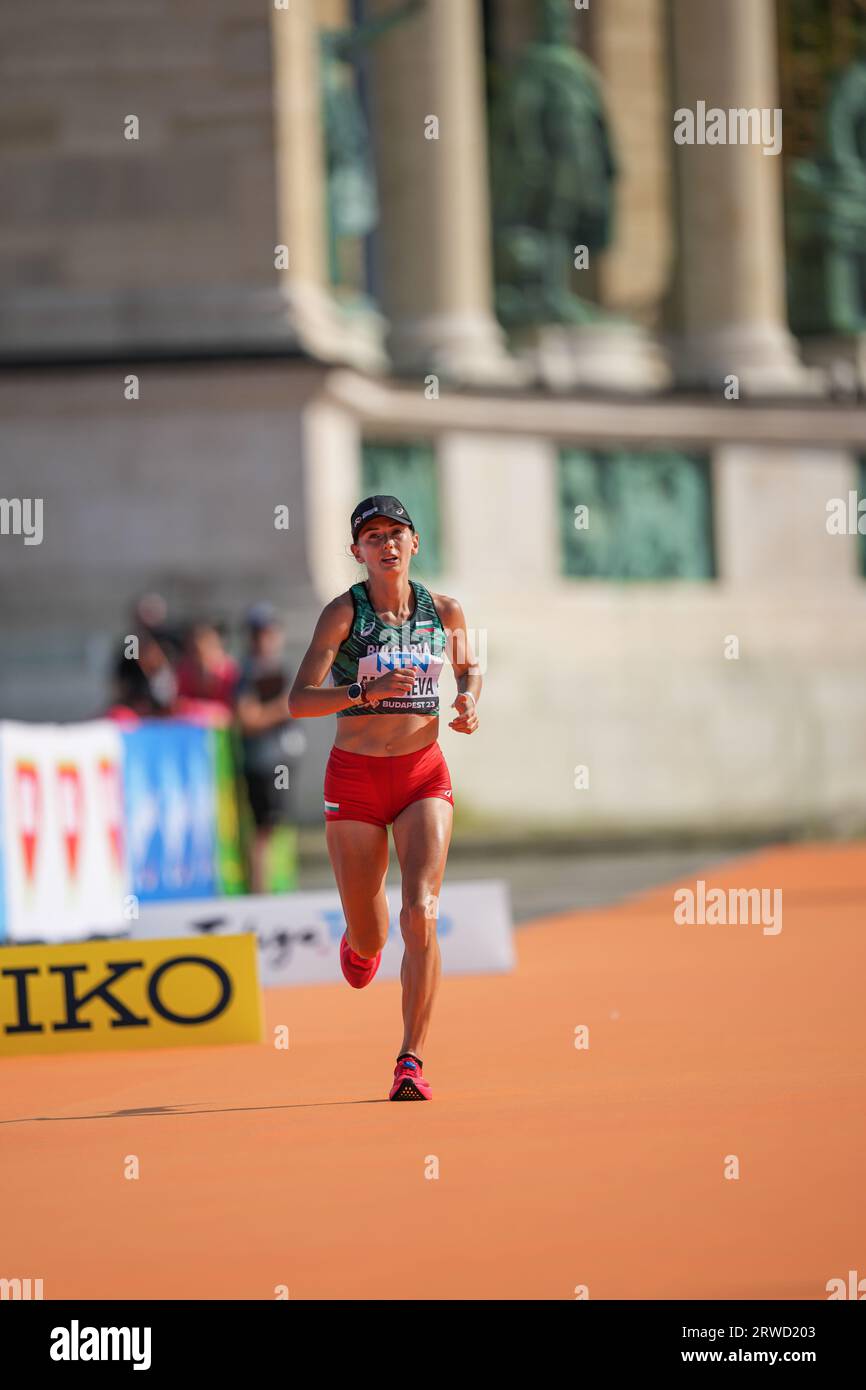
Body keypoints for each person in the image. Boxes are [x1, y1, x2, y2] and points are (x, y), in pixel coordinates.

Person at [288, 494, 481, 1101]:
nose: (386, 544)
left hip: (423, 775)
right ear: (357, 552)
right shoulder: (341, 615)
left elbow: (470, 666)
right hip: (355, 781)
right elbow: (299, 699)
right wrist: (361, 691)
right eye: (372, 537)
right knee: (372, 938)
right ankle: (357, 941)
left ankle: (410, 1060)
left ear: (414, 543)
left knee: (420, 912)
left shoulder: (445, 611)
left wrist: (469, 698)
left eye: (396, 532)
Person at [236, 603, 307, 893]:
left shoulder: (279, 665)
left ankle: (279, 886)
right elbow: (248, 719)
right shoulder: (249, 672)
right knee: (263, 829)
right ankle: (261, 891)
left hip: (282, 757)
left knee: (278, 826)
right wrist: (285, 707)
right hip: (263, 761)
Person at [175, 619, 239, 717]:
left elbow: (229, 712)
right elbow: (179, 706)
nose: (196, 658)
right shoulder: (185, 670)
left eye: (199, 652)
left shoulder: (229, 673)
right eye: (192, 651)